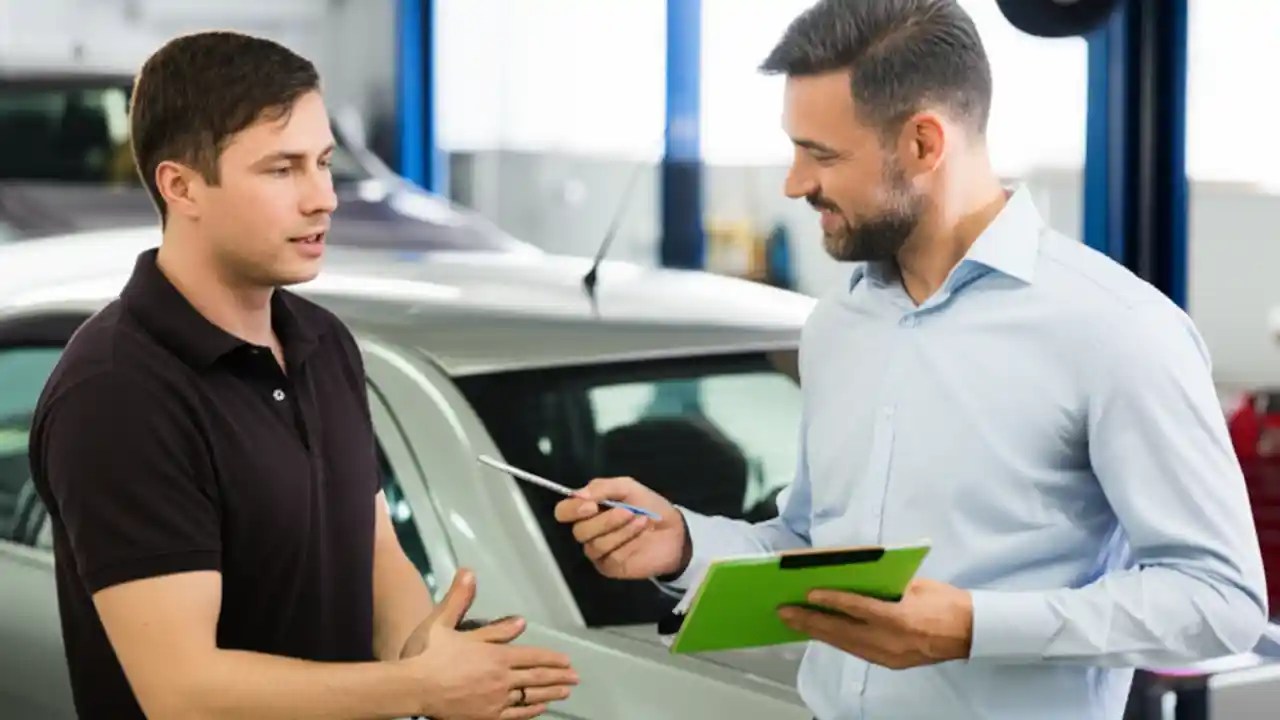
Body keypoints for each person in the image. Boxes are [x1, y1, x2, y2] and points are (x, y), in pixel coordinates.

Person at [554, 1, 1267, 718]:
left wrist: (973, 628)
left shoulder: (1118, 329)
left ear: (924, 143)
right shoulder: (838, 325)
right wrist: (685, 545)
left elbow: (1221, 599)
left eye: (822, 155)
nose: (795, 183)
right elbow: (812, 546)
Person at [28, 31, 576, 720]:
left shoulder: (324, 343)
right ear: (181, 186)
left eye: (323, 163)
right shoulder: (118, 392)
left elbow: (376, 561)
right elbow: (182, 692)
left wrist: (435, 657)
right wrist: (419, 688)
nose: (324, 199)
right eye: (282, 170)